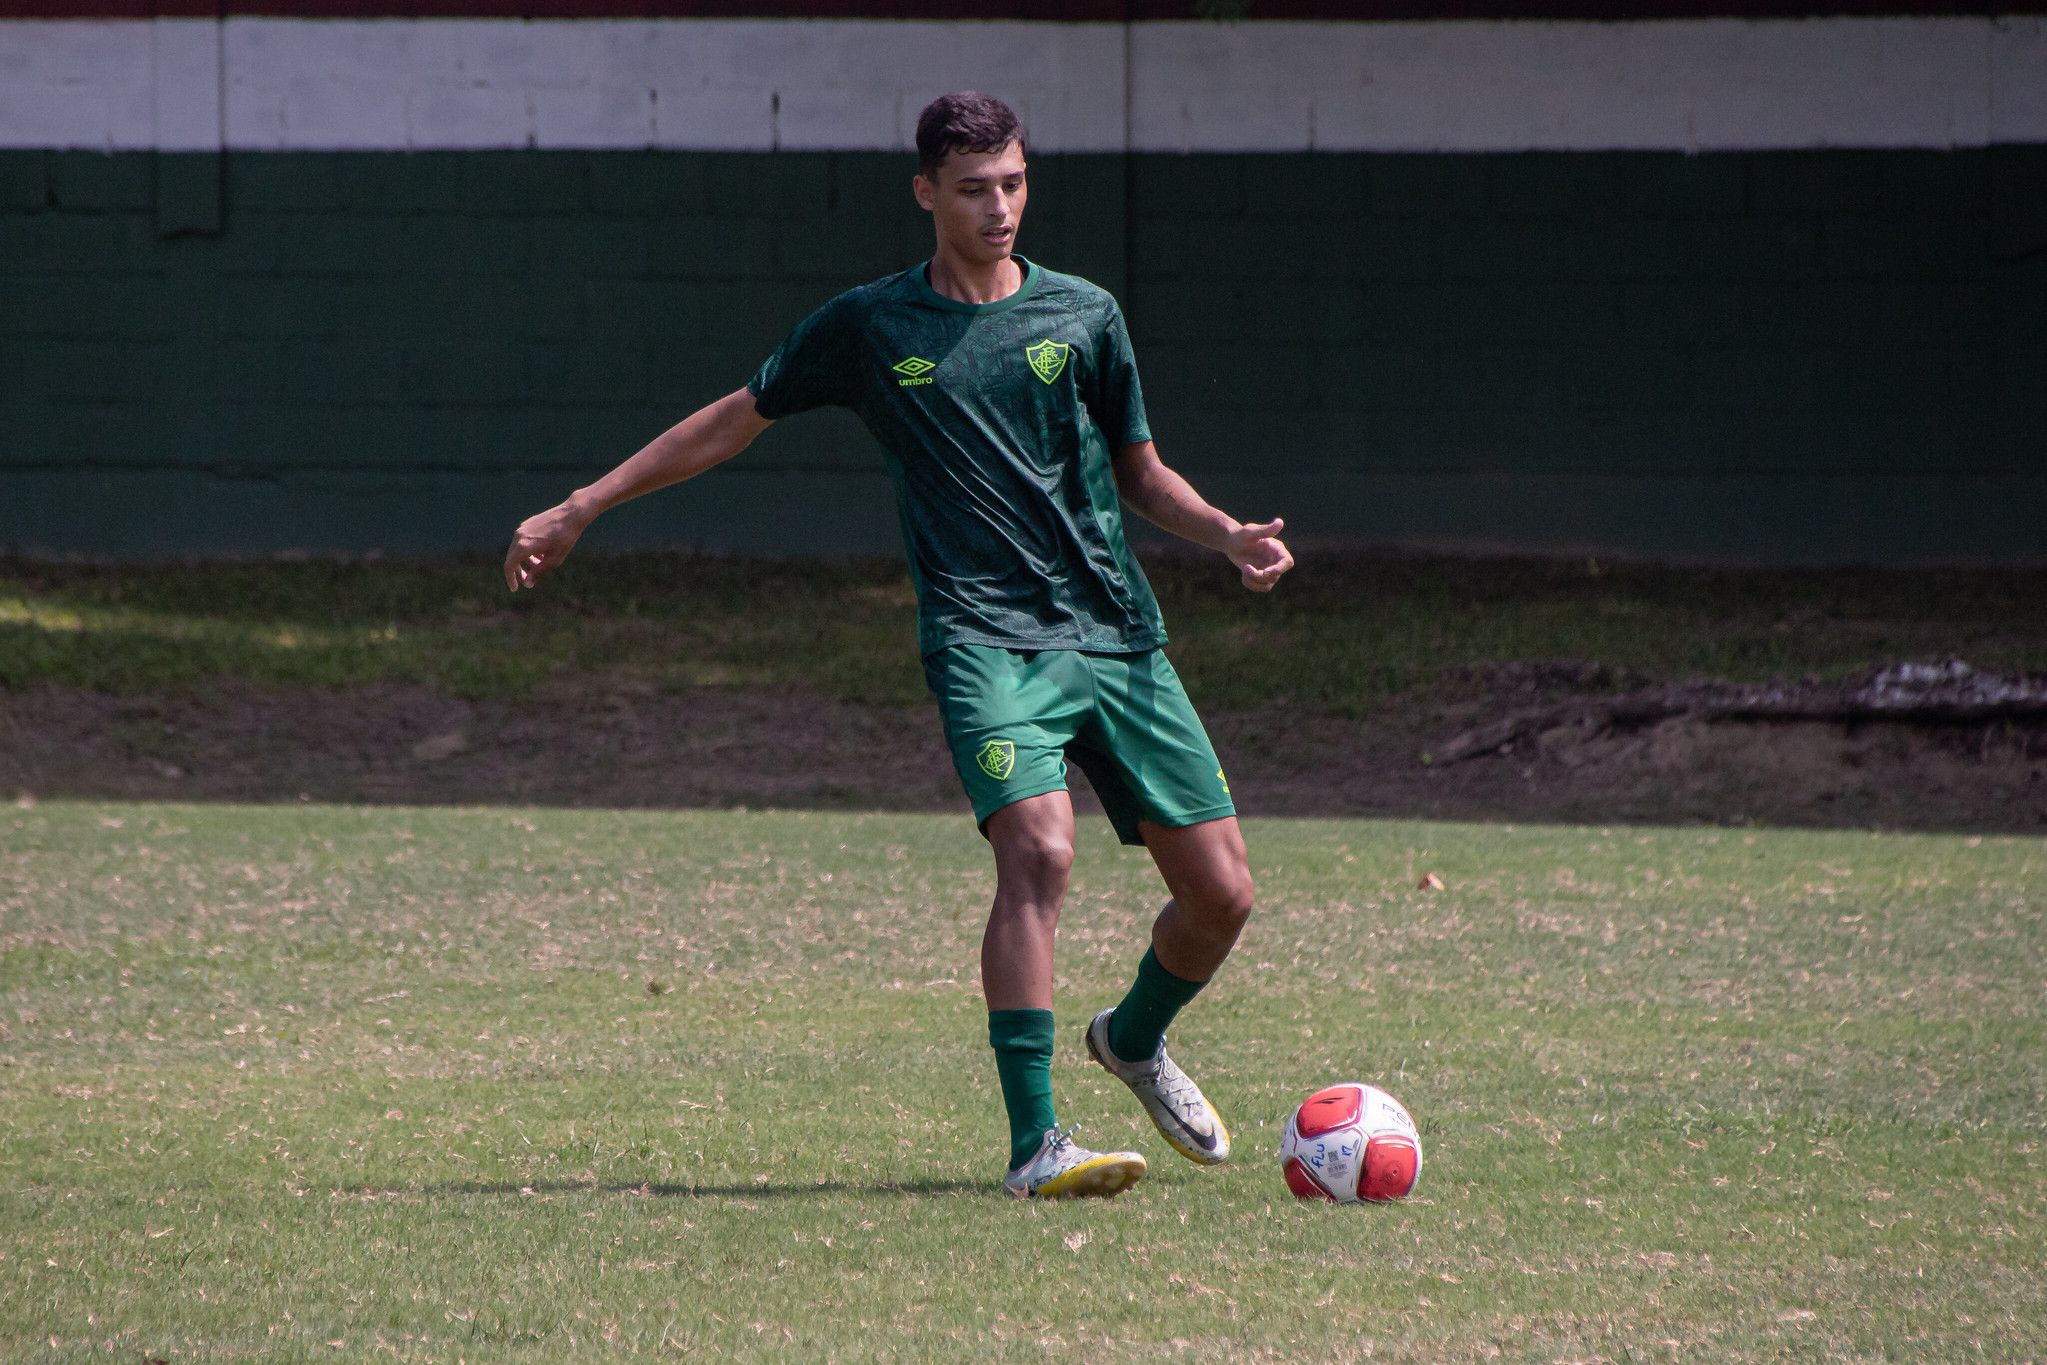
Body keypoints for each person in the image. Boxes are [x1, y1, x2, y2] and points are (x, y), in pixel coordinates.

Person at [504, 92, 1294, 1199]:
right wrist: (582, 505)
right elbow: (733, 416)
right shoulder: (871, 327)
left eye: (1013, 182)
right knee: (1040, 853)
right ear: (926, 192)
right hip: (983, 639)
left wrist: (1224, 536)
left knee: (1221, 897)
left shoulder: (1086, 315)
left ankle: (1130, 1039)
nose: (999, 207)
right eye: (973, 189)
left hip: (1114, 636)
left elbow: (1140, 473)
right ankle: (1036, 1147)